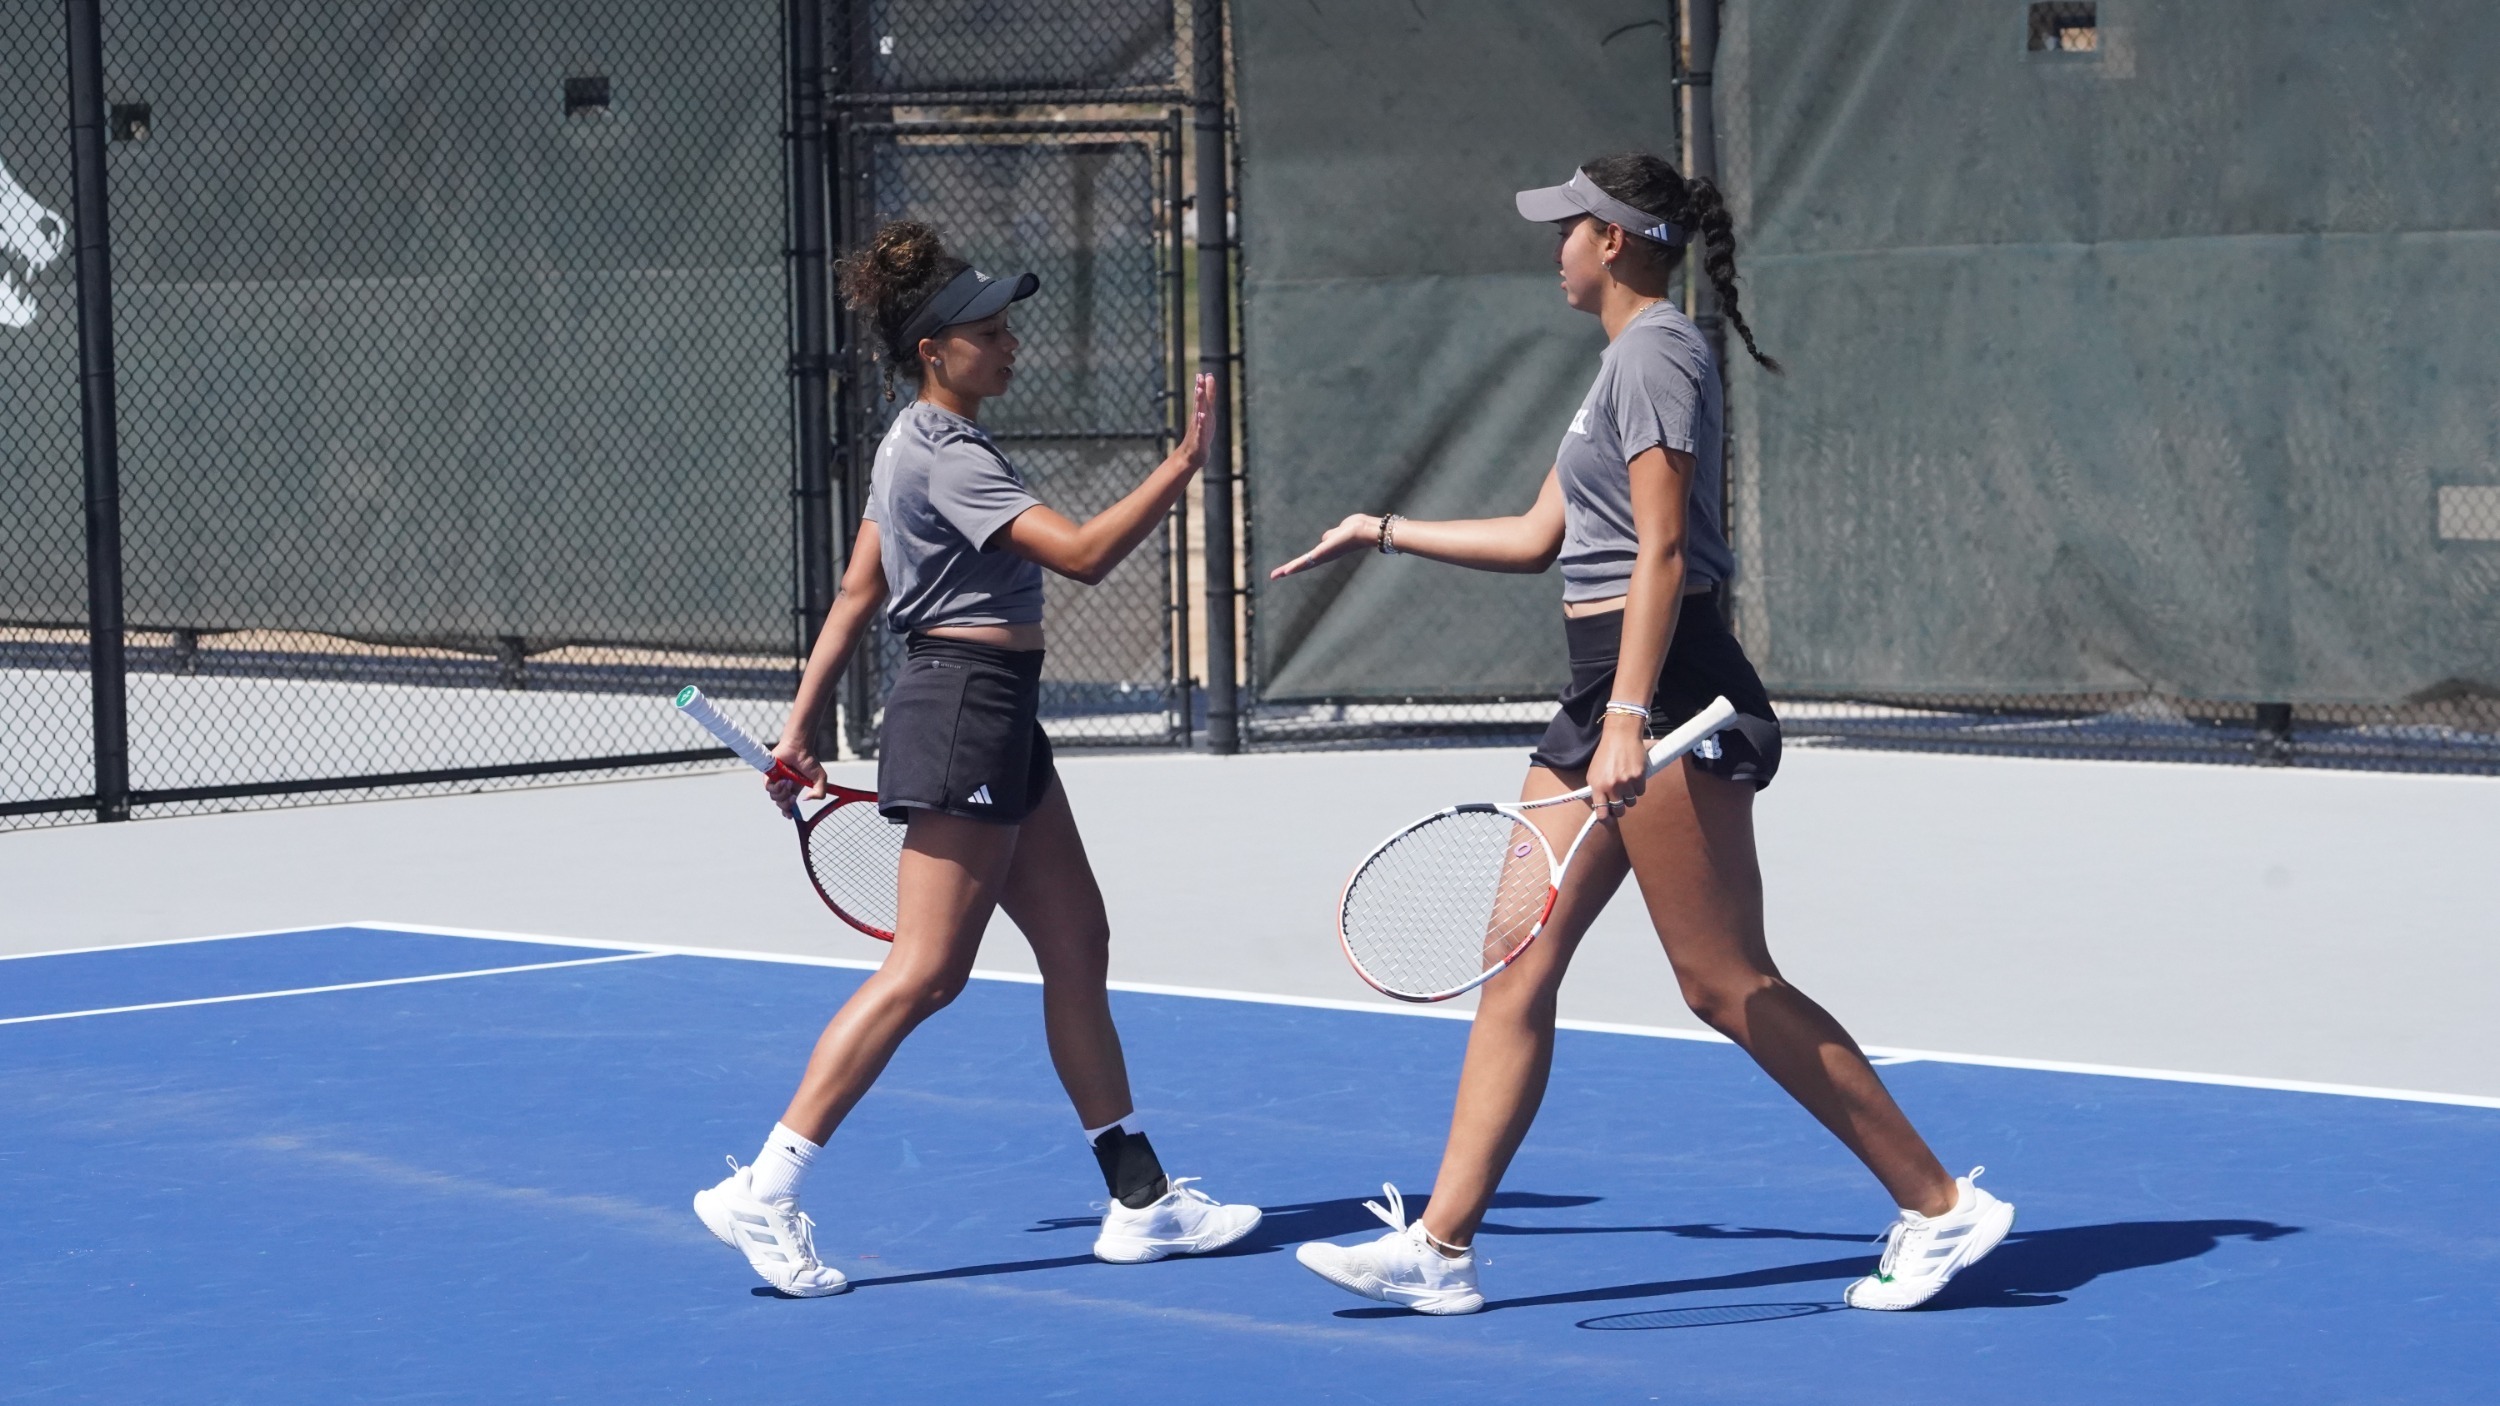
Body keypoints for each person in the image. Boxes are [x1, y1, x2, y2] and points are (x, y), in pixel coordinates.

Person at [1270, 155, 2010, 1315]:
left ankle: (1937, 1205)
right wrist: (1383, 529)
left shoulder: (1657, 352)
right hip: (1601, 692)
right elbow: (1534, 537)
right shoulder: (1618, 366)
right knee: (1515, 958)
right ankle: (1442, 1245)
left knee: (1721, 981)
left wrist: (1627, 714)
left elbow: (1661, 551)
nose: (1549, 246)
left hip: (1661, 690)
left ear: (1610, 239)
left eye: (1562, 228)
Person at [693, 220, 1260, 1297]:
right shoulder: (941, 453)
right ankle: (762, 1189)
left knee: (1076, 937)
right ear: (933, 351)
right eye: (989, 335)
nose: (1010, 348)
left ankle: (1139, 1199)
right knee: (928, 969)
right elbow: (1086, 555)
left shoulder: (916, 444)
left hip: (998, 715)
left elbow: (862, 586)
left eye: (1007, 330)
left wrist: (801, 722)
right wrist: (1182, 467)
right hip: (963, 711)